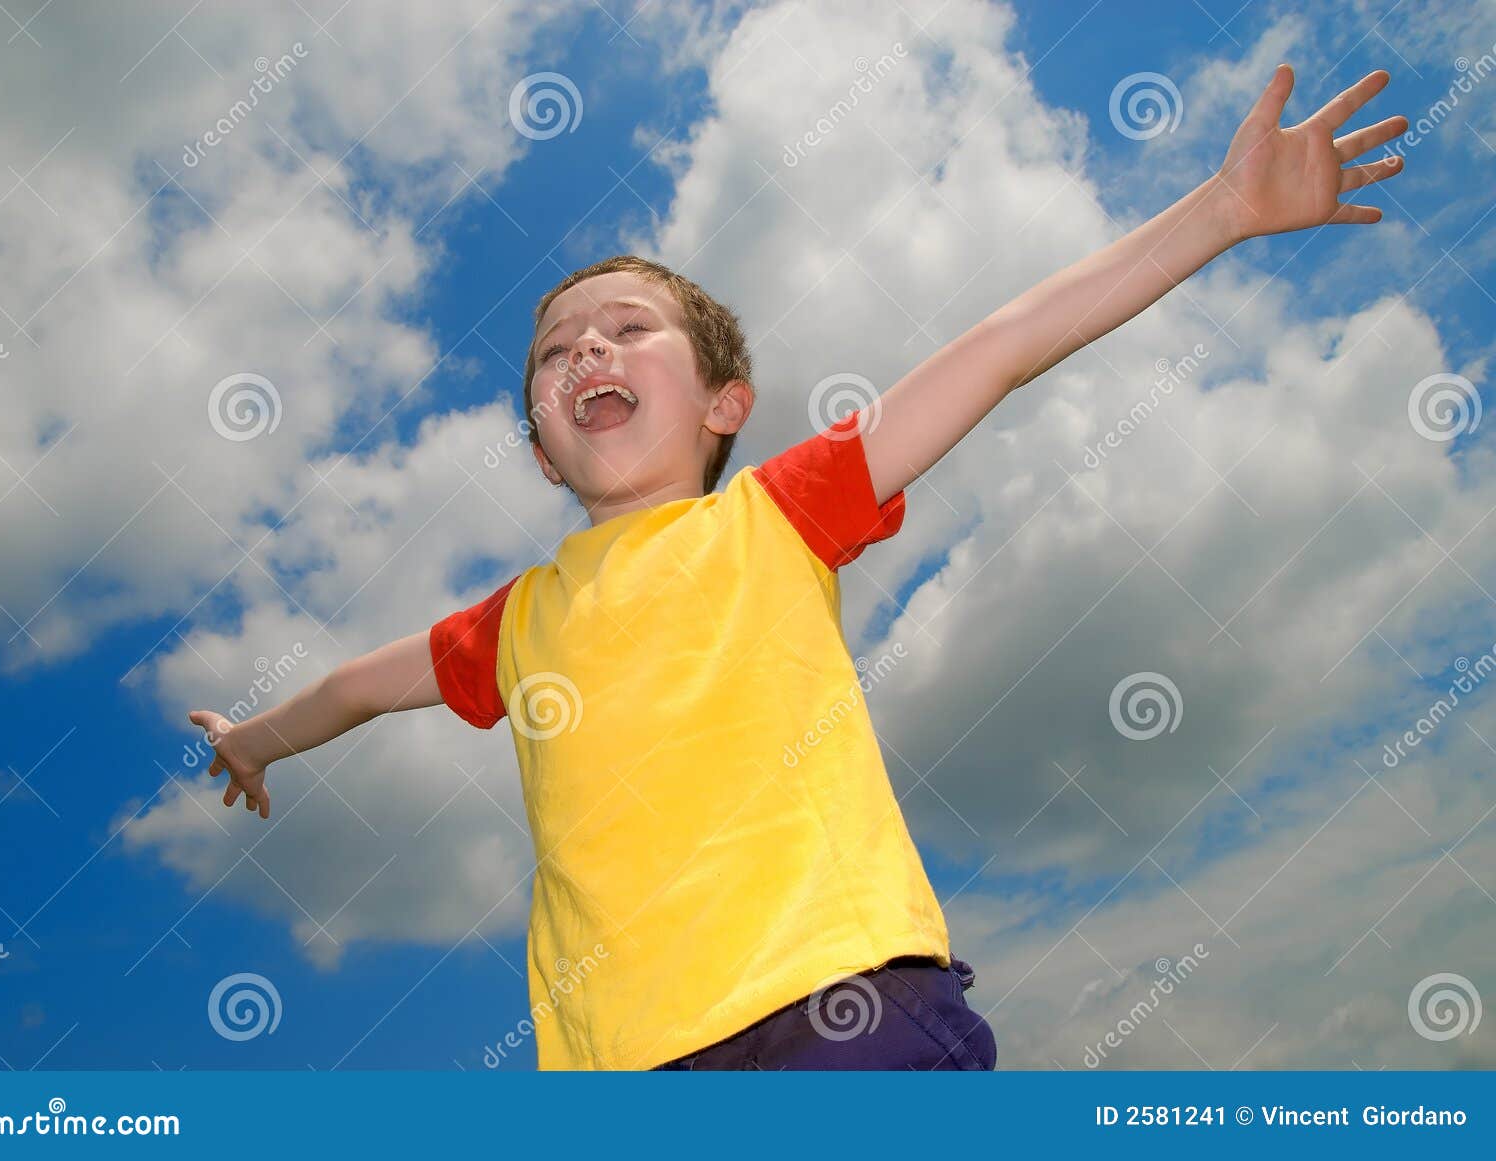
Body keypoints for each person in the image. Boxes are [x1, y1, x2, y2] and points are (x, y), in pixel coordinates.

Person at [187, 64, 1405, 1070]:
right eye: (555, 351)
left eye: (627, 328)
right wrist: (252, 739)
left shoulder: (776, 515)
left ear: (727, 402)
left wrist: (1220, 212)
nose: (586, 348)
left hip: (831, 1004)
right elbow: (351, 688)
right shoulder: (515, 626)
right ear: (545, 451)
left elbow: (998, 351)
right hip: (618, 1067)